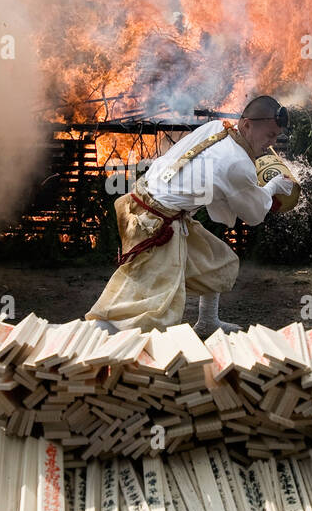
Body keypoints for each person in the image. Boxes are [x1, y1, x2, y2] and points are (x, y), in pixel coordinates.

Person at [85, 94, 296, 335]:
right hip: (156, 222)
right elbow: (255, 214)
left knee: (218, 261)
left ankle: (208, 321)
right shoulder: (239, 164)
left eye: (276, 137)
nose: (270, 143)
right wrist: (273, 187)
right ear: (247, 124)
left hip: (151, 202)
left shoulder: (217, 128)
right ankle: (89, 340)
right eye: (269, 135)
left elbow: (216, 189)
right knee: (148, 309)